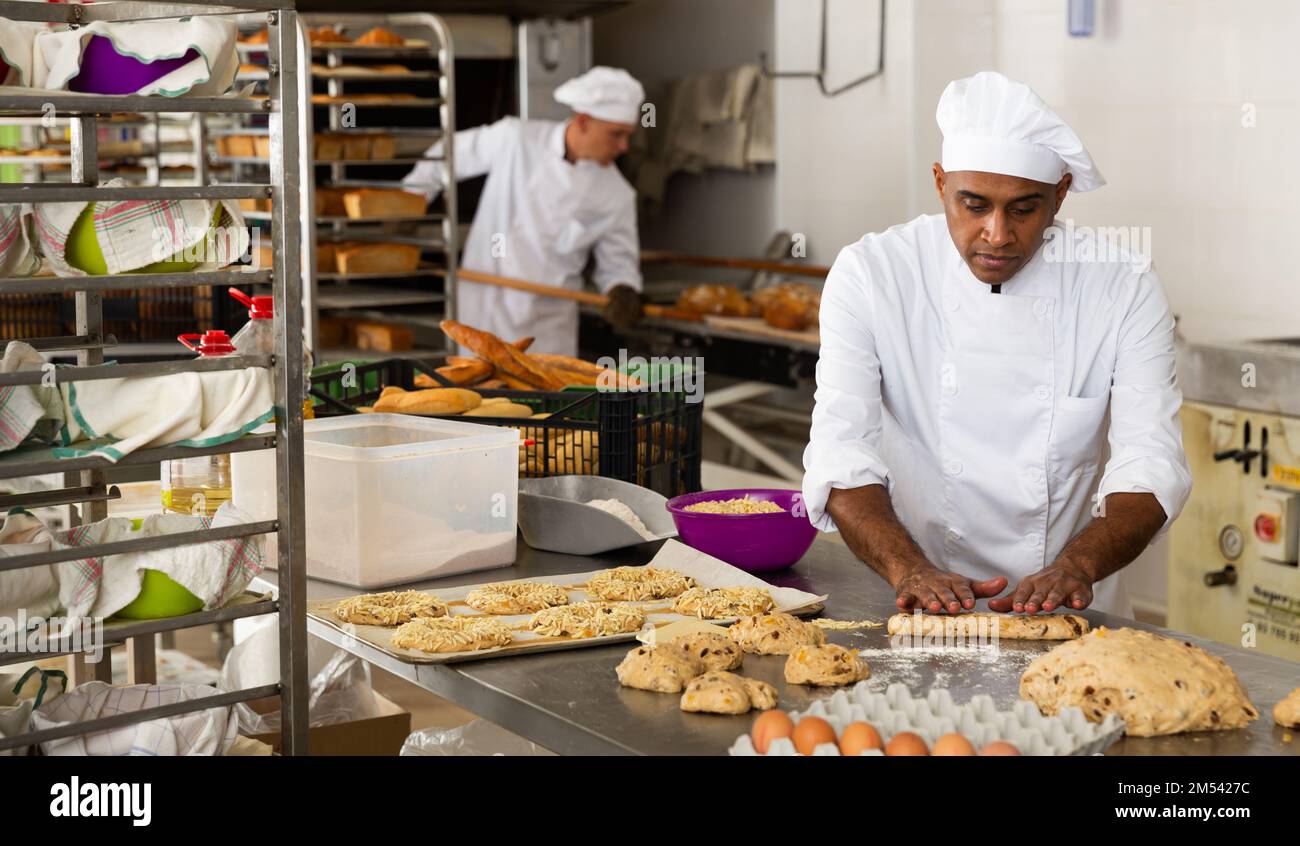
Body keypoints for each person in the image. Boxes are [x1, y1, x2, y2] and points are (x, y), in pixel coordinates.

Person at [802, 71, 1191, 618]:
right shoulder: (873, 274)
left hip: (1067, 612)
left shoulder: (1120, 284)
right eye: (974, 204)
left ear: (1059, 197)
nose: (998, 233)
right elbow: (842, 457)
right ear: (940, 184)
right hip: (916, 604)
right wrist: (909, 570)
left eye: (1024, 208)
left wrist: (1076, 568)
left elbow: (1151, 463)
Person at [404, 66, 645, 355]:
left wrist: (623, 290)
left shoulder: (617, 194)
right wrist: (410, 199)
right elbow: (449, 155)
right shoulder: (516, 140)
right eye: (616, 134)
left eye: (627, 135)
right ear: (583, 121)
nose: (623, 146)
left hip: (546, 333)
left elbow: (618, 265)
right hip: (482, 316)